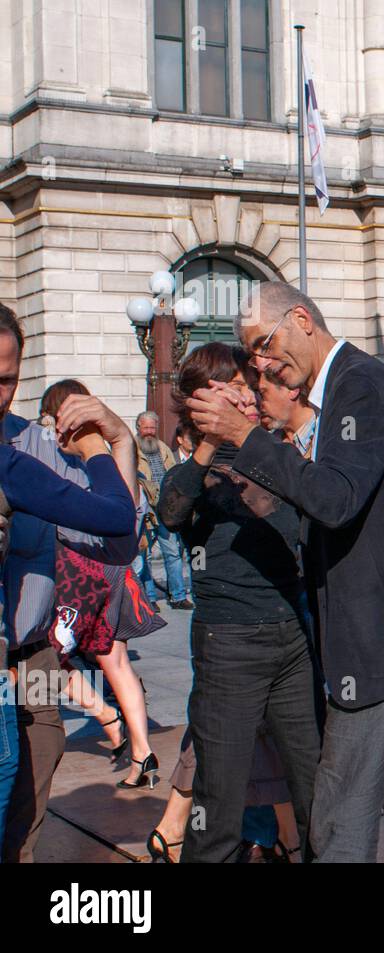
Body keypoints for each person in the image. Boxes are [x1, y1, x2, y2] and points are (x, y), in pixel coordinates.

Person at [184, 280, 384, 863]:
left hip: (381, 640)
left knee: (339, 822)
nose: (261, 364)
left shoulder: (361, 384)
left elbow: (337, 498)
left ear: (302, 318)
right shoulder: (350, 386)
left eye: (264, 345)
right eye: (252, 356)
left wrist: (244, 438)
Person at [159, 343, 323, 863]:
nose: (238, 391)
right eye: (221, 384)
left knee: (315, 783)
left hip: (291, 637)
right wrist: (210, 443)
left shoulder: (274, 451)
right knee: (219, 800)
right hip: (228, 643)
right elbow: (170, 512)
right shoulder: (197, 468)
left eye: (242, 382)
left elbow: (306, 521)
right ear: (194, 402)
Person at [0, 303, 139, 862]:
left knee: (27, 787)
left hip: (30, 655)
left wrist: (120, 441)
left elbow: (118, 536)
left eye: (5, 378)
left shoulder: (34, 448)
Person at [39, 381, 158, 790]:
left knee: (43, 659)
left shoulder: (50, 459)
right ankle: (142, 752)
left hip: (75, 578)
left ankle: (103, 714)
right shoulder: (102, 459)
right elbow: (131, 513)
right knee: (117, 664)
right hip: (114, 573)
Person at [134, 411, 193, 610]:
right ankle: (149, 598)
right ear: (138, 428)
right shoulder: (131, 448)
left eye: (153, 428)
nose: (149, 432)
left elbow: (174, 471)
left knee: (173, 553)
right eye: (146, 428)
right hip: (145, 510)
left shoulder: (163, 448)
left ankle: (177, 596)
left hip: (164, 509)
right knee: (146, 556)